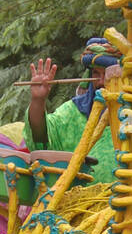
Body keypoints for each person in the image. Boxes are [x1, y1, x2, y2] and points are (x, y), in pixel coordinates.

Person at [24, 36, 121, 184]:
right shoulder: (73, 111)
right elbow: (41, 137)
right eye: (96, 74)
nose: (102, 81)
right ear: (89, 75)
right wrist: (38, 100)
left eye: (108, 74)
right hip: (75, 204)